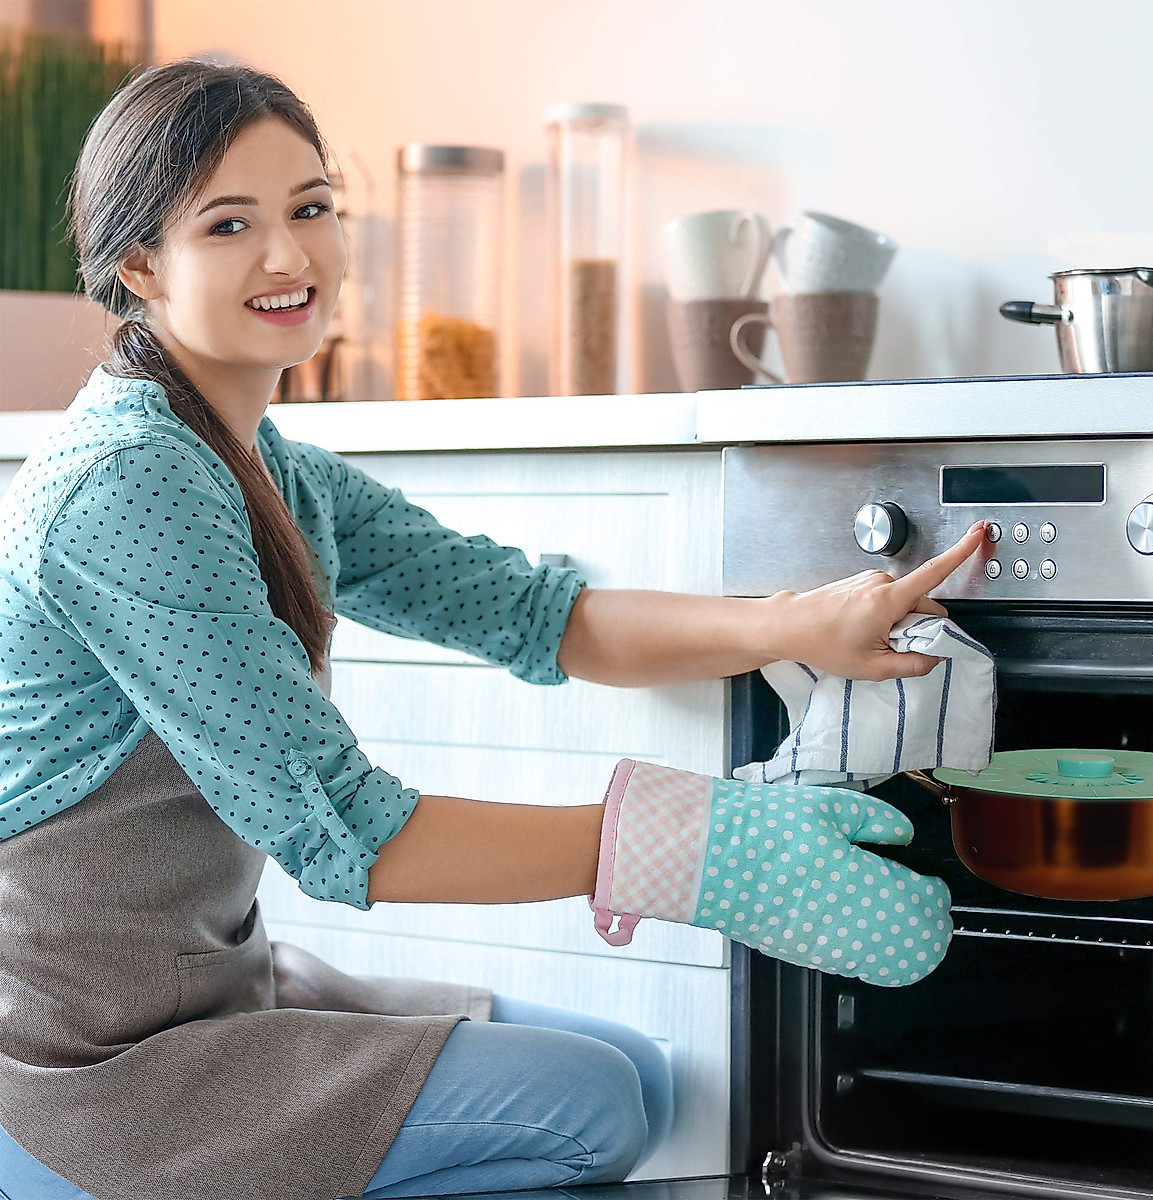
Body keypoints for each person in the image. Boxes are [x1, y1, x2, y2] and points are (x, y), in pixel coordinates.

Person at [0, 57, 985, 1200]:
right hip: (83, 1067)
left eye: (312, 209)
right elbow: (351, 836)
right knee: (600, 1111)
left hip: (201, 995)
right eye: (229, 225)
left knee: (642, 1082)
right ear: (138, 266)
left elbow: (537, 616)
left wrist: (798, 622)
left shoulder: (254, 461)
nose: (290, 257)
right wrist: (699, 850)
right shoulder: (131, 485)